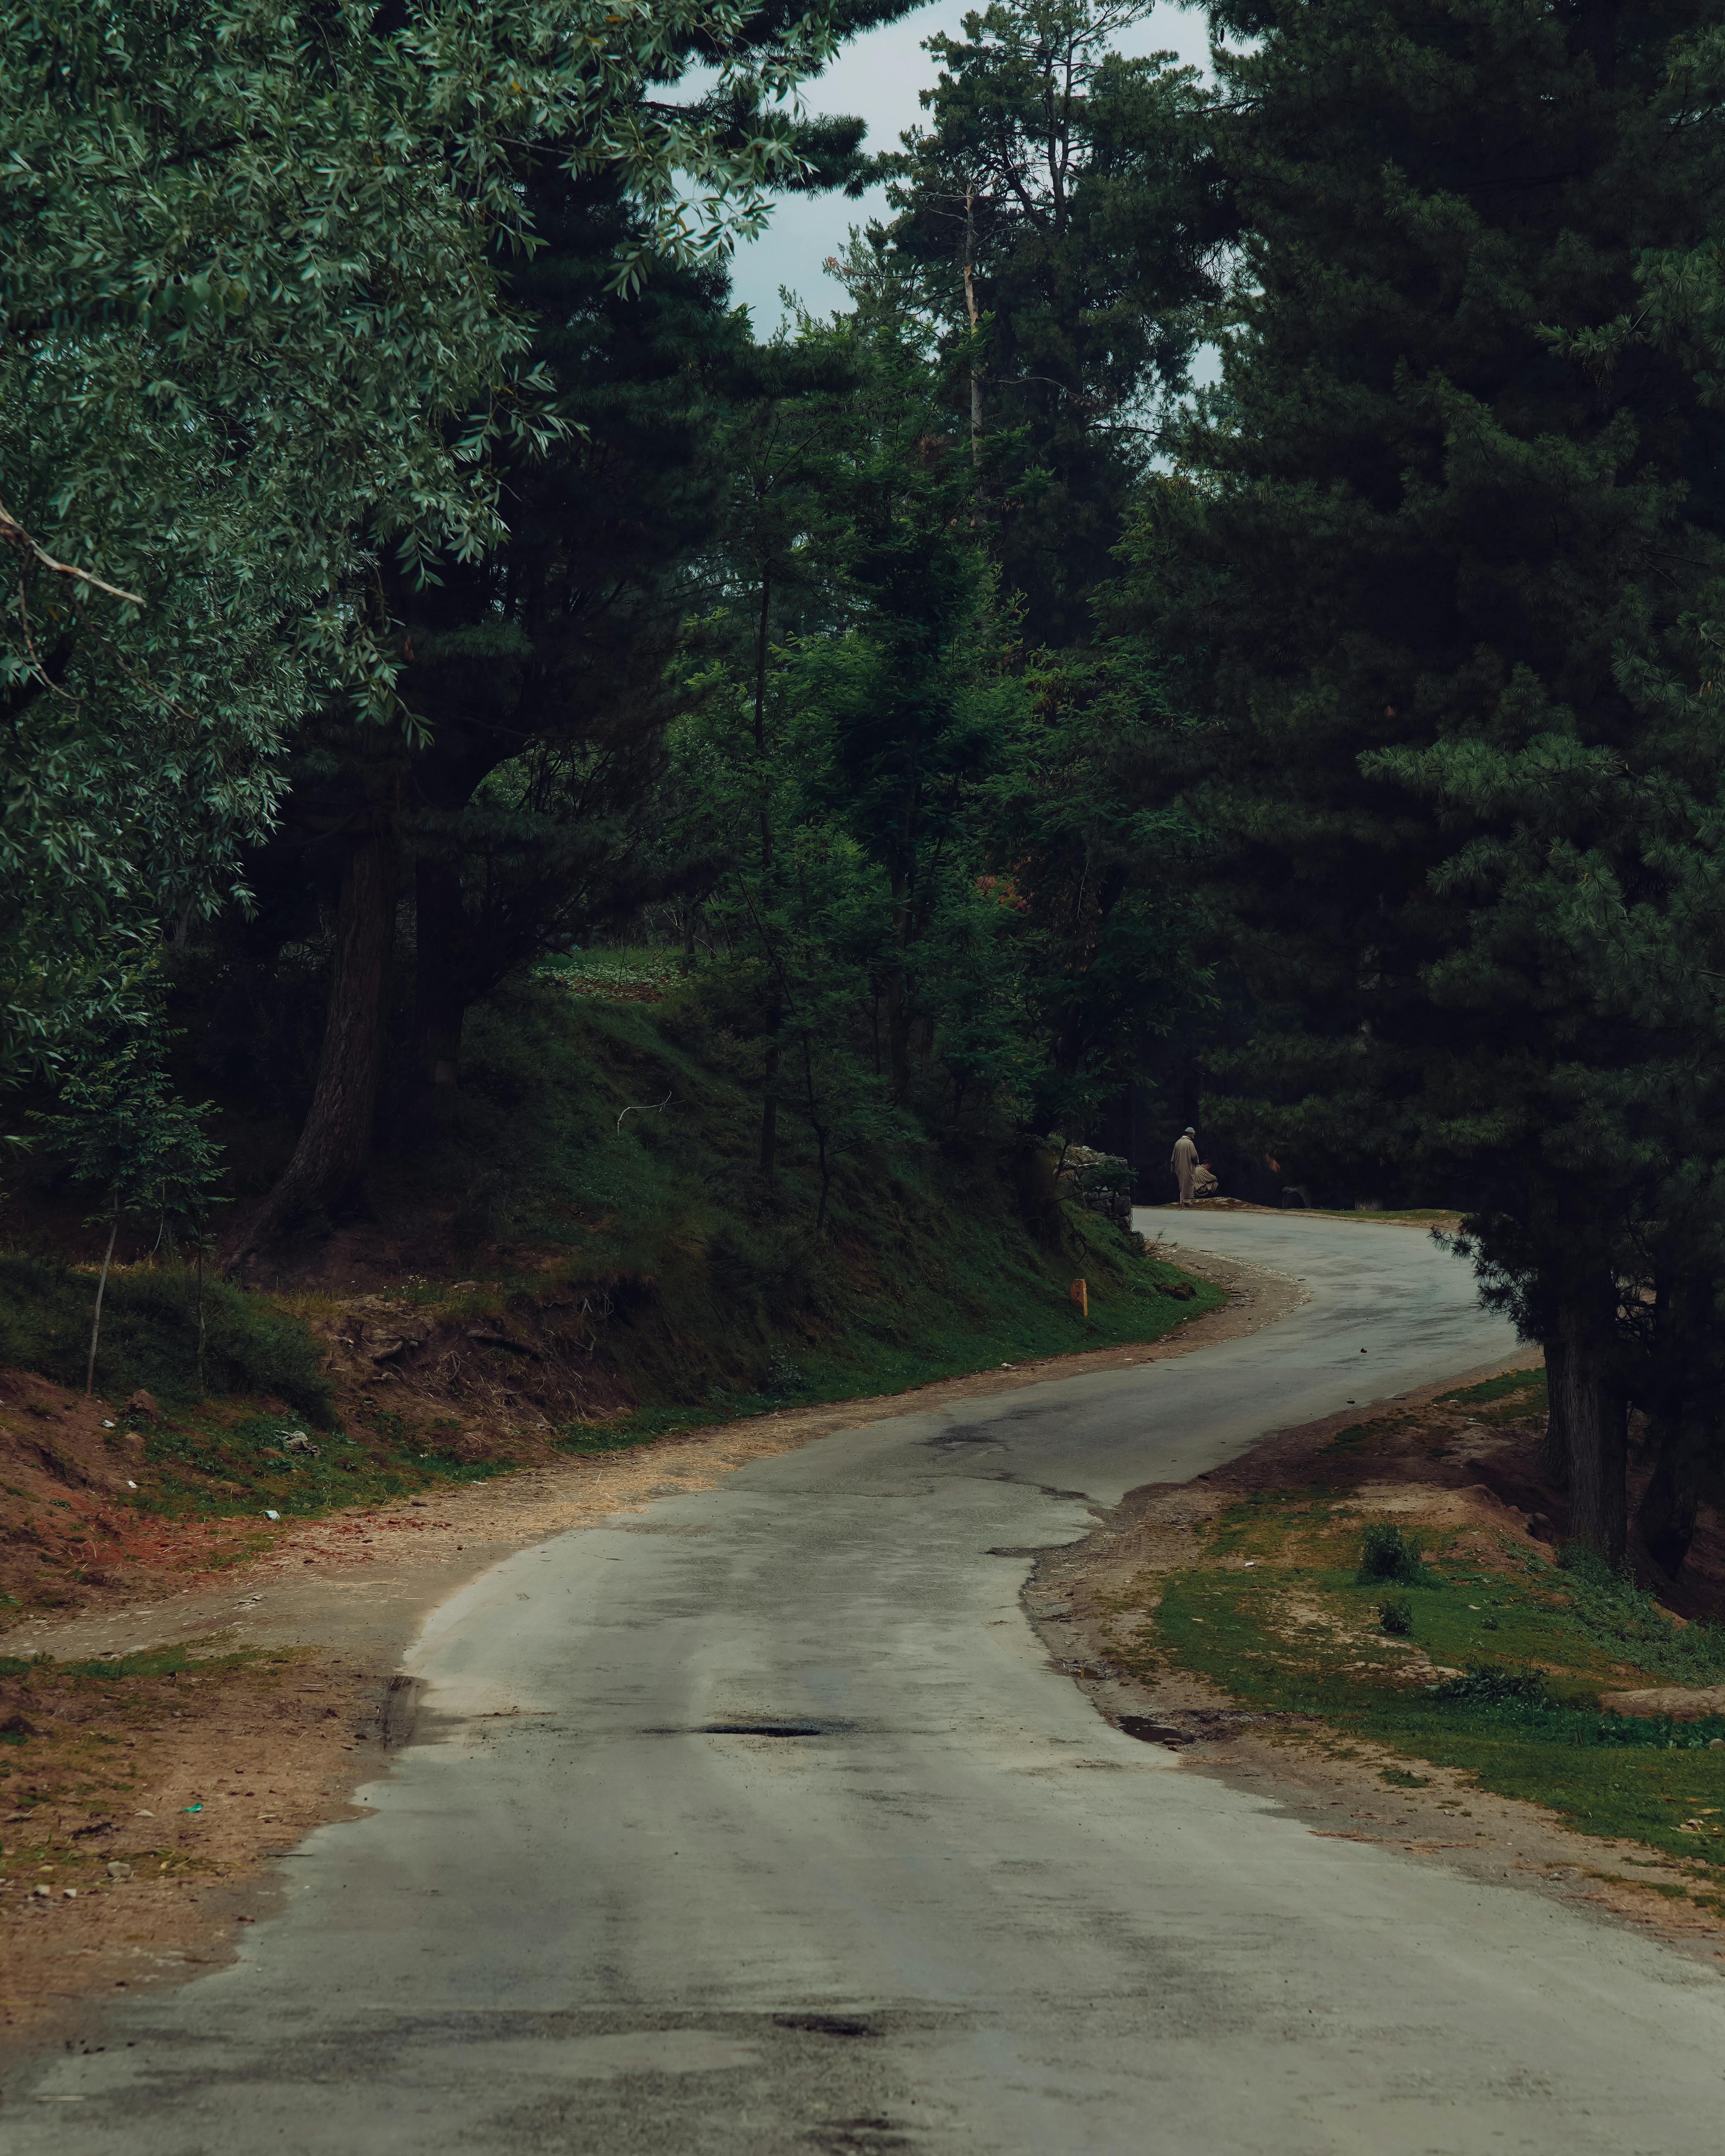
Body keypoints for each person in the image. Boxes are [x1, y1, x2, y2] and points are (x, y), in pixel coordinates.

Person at [1171, 1127, 1200, 1207]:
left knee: (1182, 1184)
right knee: (1189, 1183)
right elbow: (1194, 1156)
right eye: (1193, 1136)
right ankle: (1186, 1202)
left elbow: (1173, 1158)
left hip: (1179, 1168)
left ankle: (1183, 1201)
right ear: (1189, 1134)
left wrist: (1174, 1168)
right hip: (1188, 1167)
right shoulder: (1189, 1143)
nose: (1193, 1137)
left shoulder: (1178, 1142)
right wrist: (1197, 1162)